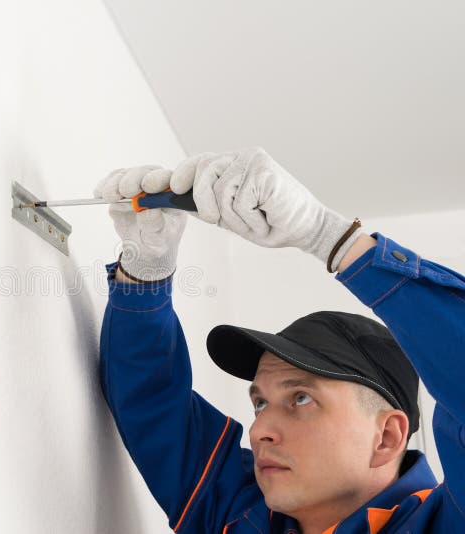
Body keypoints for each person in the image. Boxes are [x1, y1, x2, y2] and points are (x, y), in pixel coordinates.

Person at [94, 147, 464, 533]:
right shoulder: (238, 512)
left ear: (386, 437)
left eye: (300, 398)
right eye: (259, 403)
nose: (258, 431)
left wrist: (331, 238)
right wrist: (145, 270)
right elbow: (151, 399)